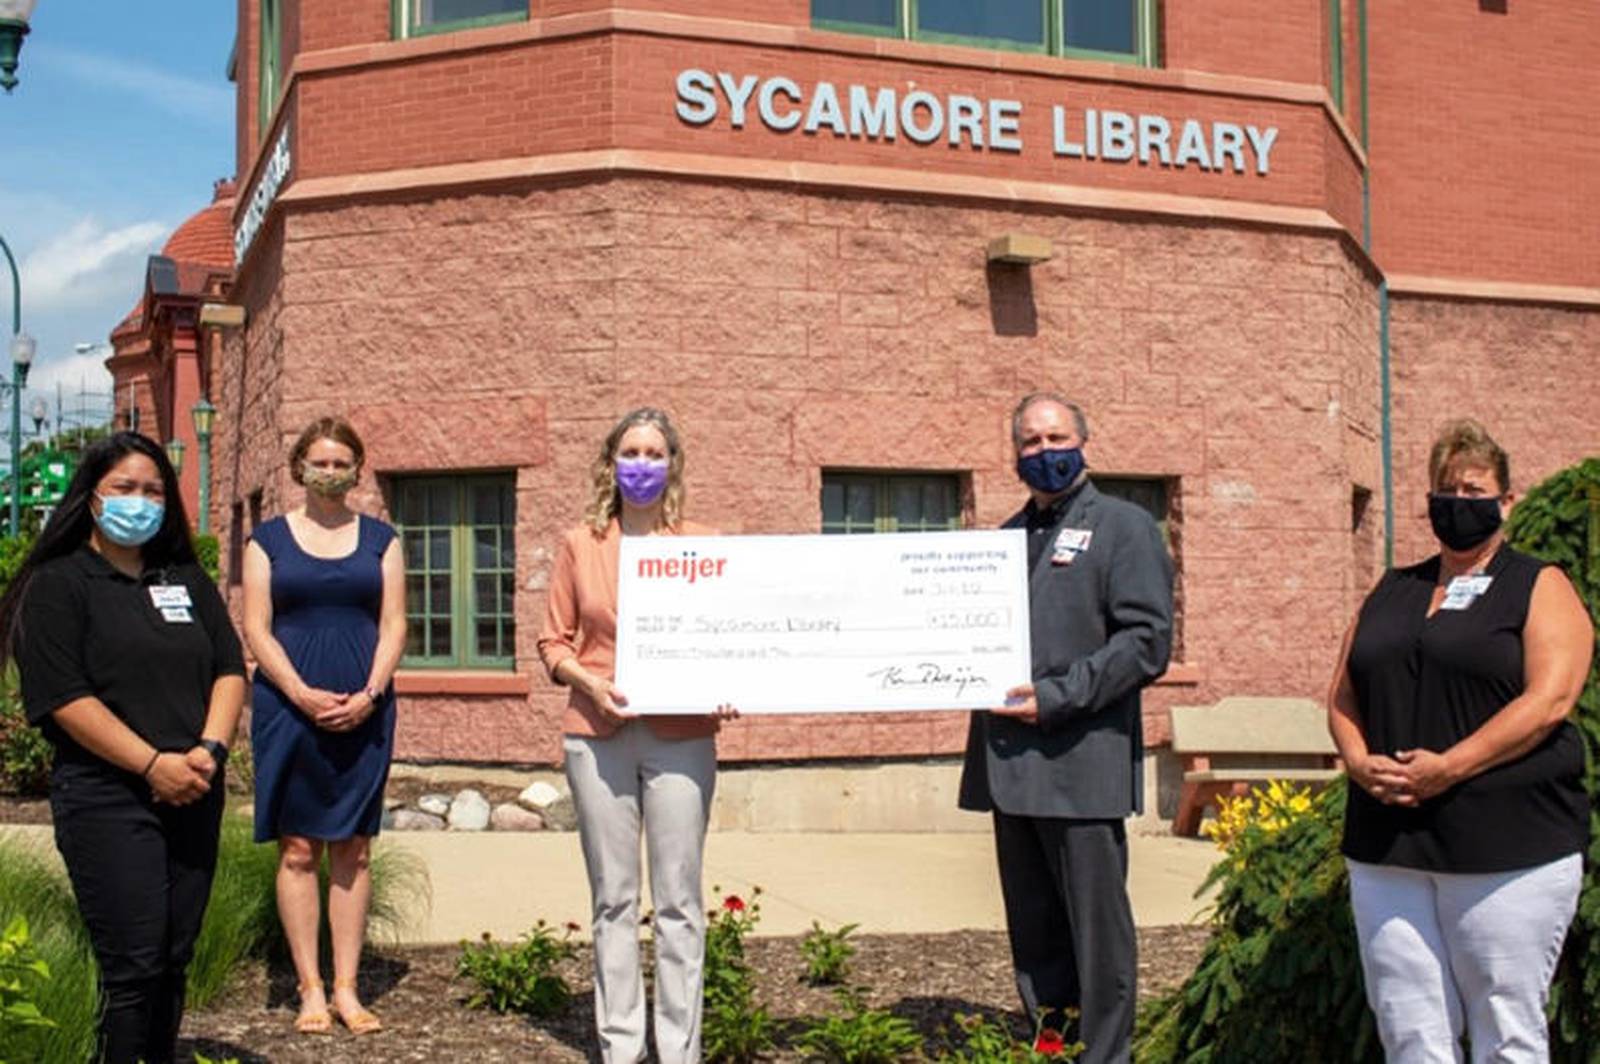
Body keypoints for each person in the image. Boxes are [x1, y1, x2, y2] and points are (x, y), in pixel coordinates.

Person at [1328, 418, 1592, 1062]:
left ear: (1507, 501)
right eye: (1445, 490)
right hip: (1388, 847)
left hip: (1508, 848)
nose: (1458, 502)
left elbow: (1550, 700)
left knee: (1506, 1027)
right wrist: (1357, 760)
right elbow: (1342, 692)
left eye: (1474, 490)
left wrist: (1448, 767)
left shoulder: (1538, 585)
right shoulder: (1394, 588)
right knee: (1409, 1026)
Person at [0, 432, 246, 1064]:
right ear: (91, 496)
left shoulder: (184, 578)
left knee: (173, 955)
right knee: (132, 963)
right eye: (125, 488)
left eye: (154, 491)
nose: (140, 501)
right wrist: (152, 764)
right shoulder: (59, 584)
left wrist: (211, 750)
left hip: (194, 787)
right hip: (107, 795)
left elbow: (228, 666)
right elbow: (64, 697)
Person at [958, 391, 1174, 1064]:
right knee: (1035, 928)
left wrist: (1057, 696)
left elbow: (1146, 642)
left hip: (1081, 762)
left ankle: (1106, 1053)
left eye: (1056, 439)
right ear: (1013, 454)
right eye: (1030, 441)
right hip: (1008, 763)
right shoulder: (1003, 543)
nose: (1044, 452)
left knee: (1096, 931)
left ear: (1083, 442)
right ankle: (1051, 1042)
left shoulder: (1124, 527)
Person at [537, 407, 734, 1064]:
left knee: (679, 901)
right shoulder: (581, 544)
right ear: (610, 463)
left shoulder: (703, 545)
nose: (642, 464)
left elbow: (728, 637)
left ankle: (679, 1050)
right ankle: (621, 1046)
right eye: (631, 452)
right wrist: (590, 684)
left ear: (672, 464)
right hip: (598, 735)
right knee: (613, 900)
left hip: (682, 738)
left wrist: (733, 681)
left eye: (654, 453)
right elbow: (553, 641)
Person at [242, 416, 405, 1035]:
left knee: (354, 849)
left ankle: (347, 988)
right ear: (299, 468)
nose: (330, 472)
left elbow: (394, 625)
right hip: (289, 710)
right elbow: (256, 628)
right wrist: (301, 694)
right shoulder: (267, 541)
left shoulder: (382, 541)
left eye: (341, 463)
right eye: (320, 462)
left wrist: (370, 693)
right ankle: (309, 986)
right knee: (298, 848)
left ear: (357, 470)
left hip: (365, 710)